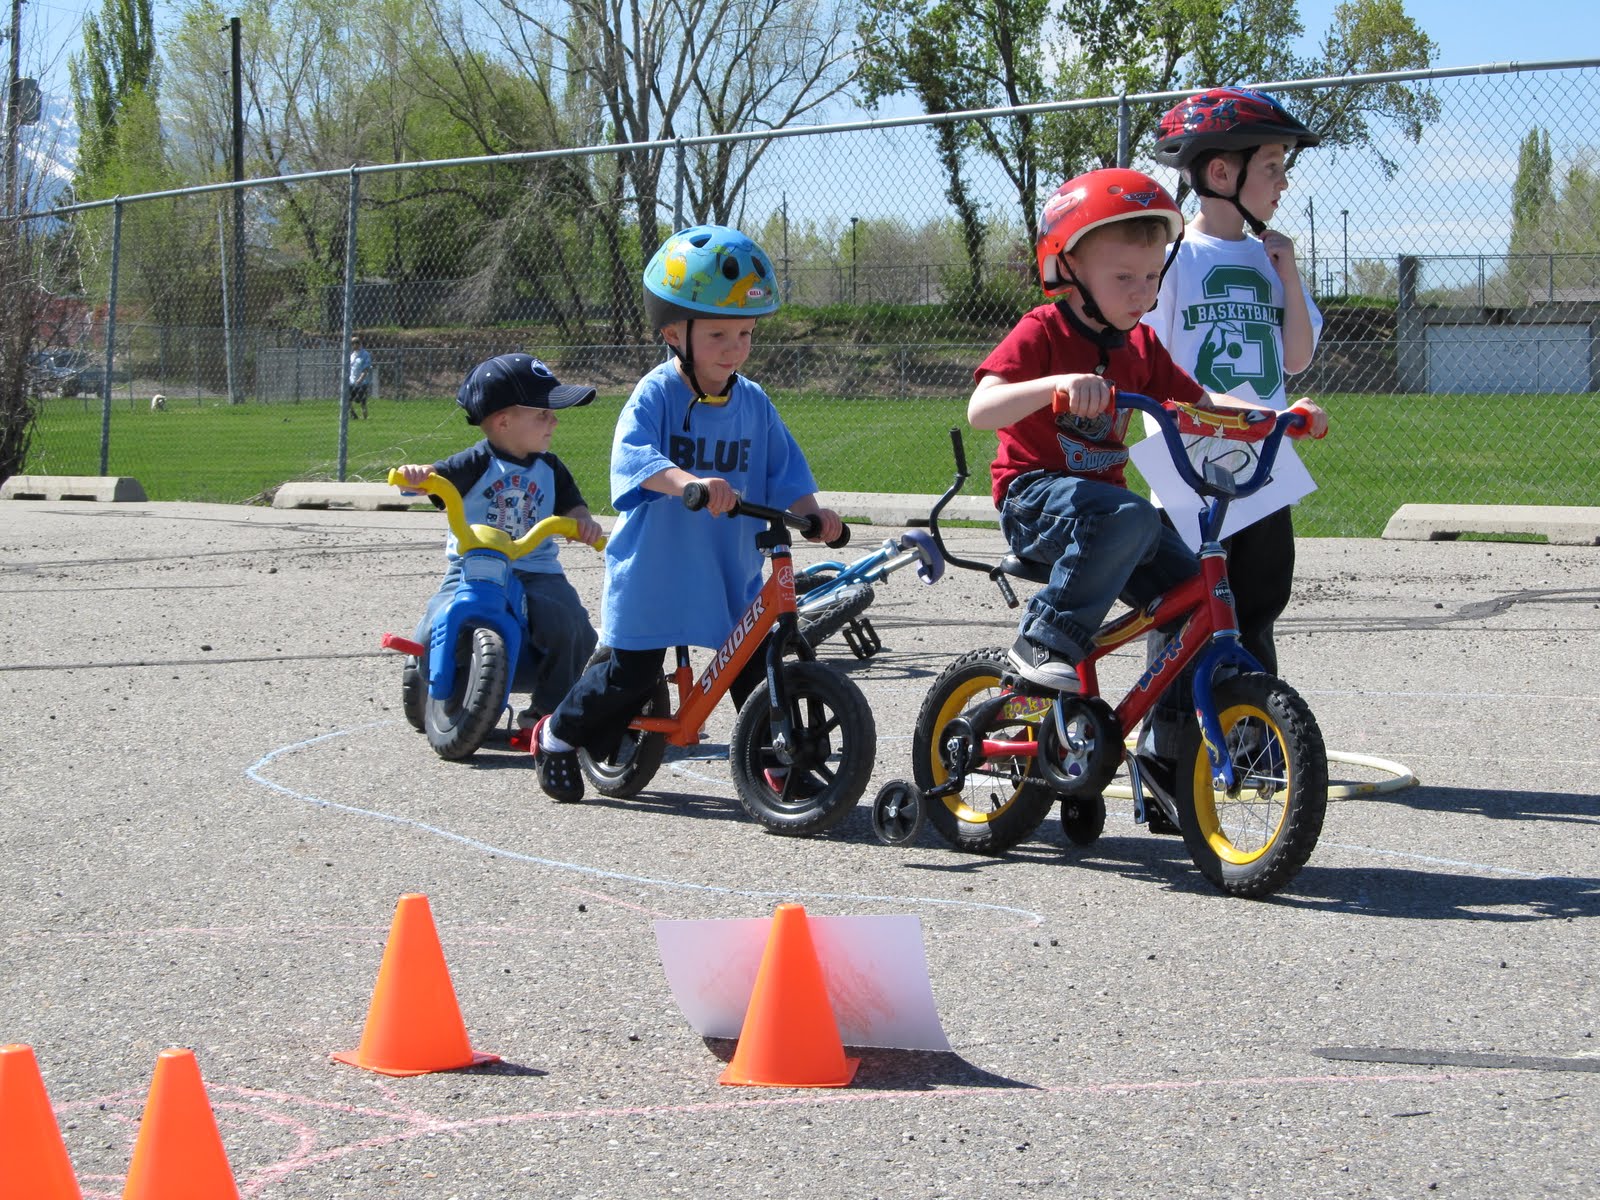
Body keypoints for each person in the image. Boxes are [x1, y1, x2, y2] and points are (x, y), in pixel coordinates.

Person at [967, 168, 1327, 784]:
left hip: (1109, 518)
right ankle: (1045, 640)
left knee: (1198, 601)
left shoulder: (1141, 349)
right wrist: (1056, 385)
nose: (1141, 293)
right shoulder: (1043, 331)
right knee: (1130, 513)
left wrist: (1276, 416)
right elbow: (981, 410)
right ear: (1070, 270)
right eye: (1123, 279)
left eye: (1151, 278)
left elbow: (1201, 406)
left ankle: (1165, 765)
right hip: (1034, 501)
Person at [532, 224, 842, 804]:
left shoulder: (753, 402)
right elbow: (635, 458)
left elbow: (785, 469)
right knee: (629, 675)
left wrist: (813, 513)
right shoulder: (655, 394)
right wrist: (688, 482)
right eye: (719, 333)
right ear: (674, 332)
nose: (735, 347)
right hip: (657, 569)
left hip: (725, 567)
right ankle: (556, 735)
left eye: (745, 332)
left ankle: (775, 762)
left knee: (754, 662)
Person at [1143, 86, 1323, 677]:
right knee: (1185, 616)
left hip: (1262, 463)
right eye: (1272, 166)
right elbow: (1148, 362)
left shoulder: (1272, 259)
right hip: (1189, 468)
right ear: (1221, 171)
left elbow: (1296, 357)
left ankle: (1255, 743)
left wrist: (1289, 275)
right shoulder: (1173, 258)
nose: (1282, 182)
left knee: (1257, 608)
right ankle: (1171, 752)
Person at [396, 353, 605, 729]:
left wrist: (583, 524)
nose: (554, 421)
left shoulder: (550, 467)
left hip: (535, 569)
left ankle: (546, 711)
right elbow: (434, 479)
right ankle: (431, 675)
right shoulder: (474, 463)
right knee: (438, 619)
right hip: (472, 567)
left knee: (572, 626)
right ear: (503, 421)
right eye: (542, 414)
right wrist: (416, 477)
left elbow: (575, 508)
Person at [348, 337, 372, 419]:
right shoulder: (352, 355)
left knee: (361, 401)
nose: (353, 346)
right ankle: (353, 414)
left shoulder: (365, 354)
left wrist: (360, 379)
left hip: (362, 382)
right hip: (351, 381)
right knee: (348, 399)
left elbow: (366, 369)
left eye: (354, 343)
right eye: (352, 344)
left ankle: (365, 417)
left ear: (358, 344)